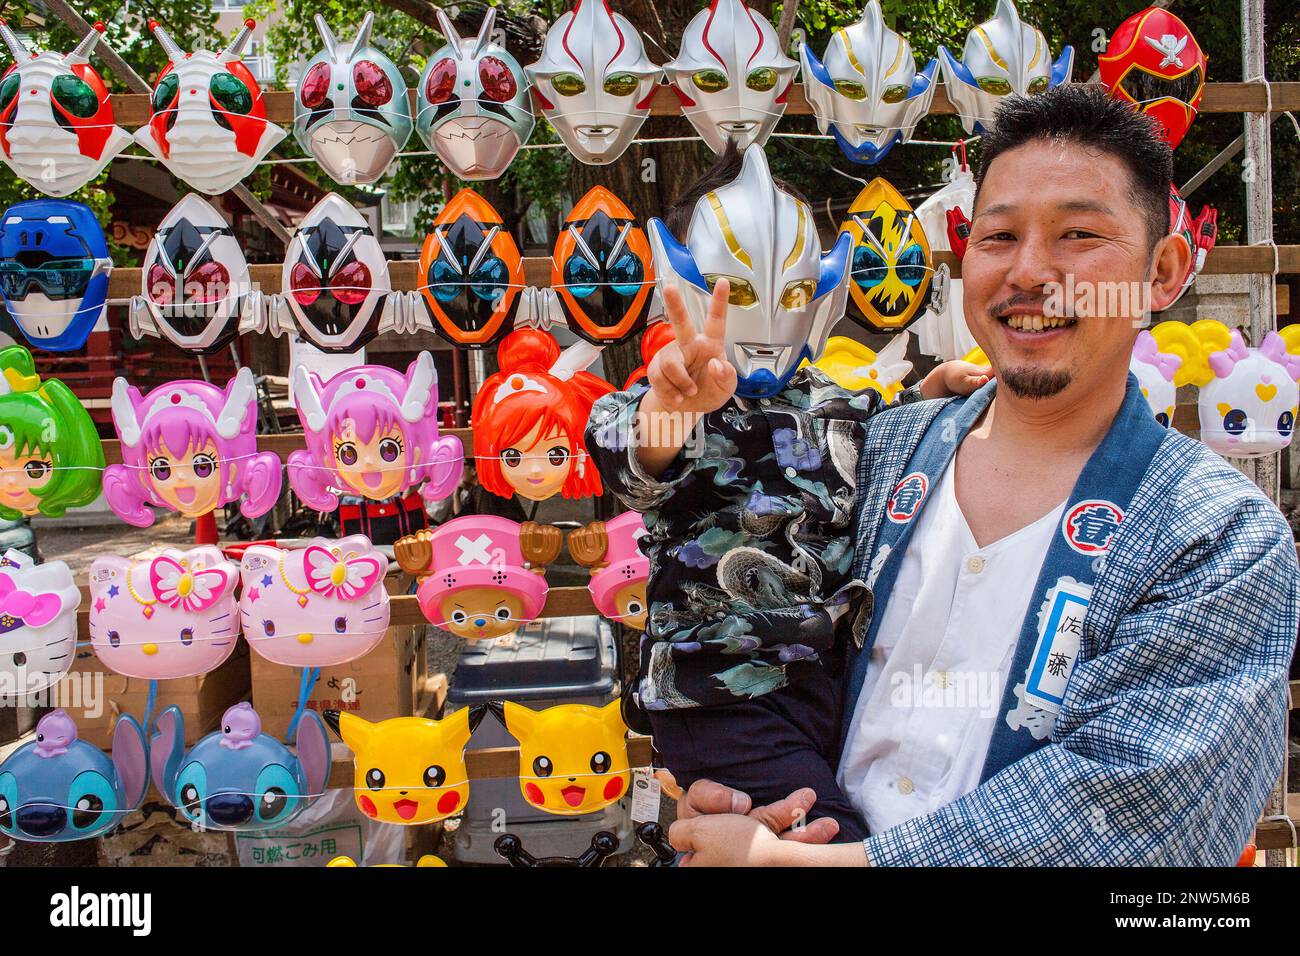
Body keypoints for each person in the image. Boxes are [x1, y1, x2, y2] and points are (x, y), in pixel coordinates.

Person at [665, 85, 1300, 865]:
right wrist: (742, 791)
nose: (1029, 272)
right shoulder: (876, 452)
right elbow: (770, 648)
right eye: (997, 237)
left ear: (1162, 270)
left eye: (1077, 235)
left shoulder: (1217, 534)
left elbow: (1141, 815)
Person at [585, 144, 987, 842]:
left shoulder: (832, 399)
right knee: (834, 841)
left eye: (795, 293)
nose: (769, 313)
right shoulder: (669, 399)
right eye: (735, 290)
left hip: (830, 686)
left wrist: (932, 393)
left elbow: (878, 435)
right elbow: (630, 462)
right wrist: (672, 407)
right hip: (718, 689)